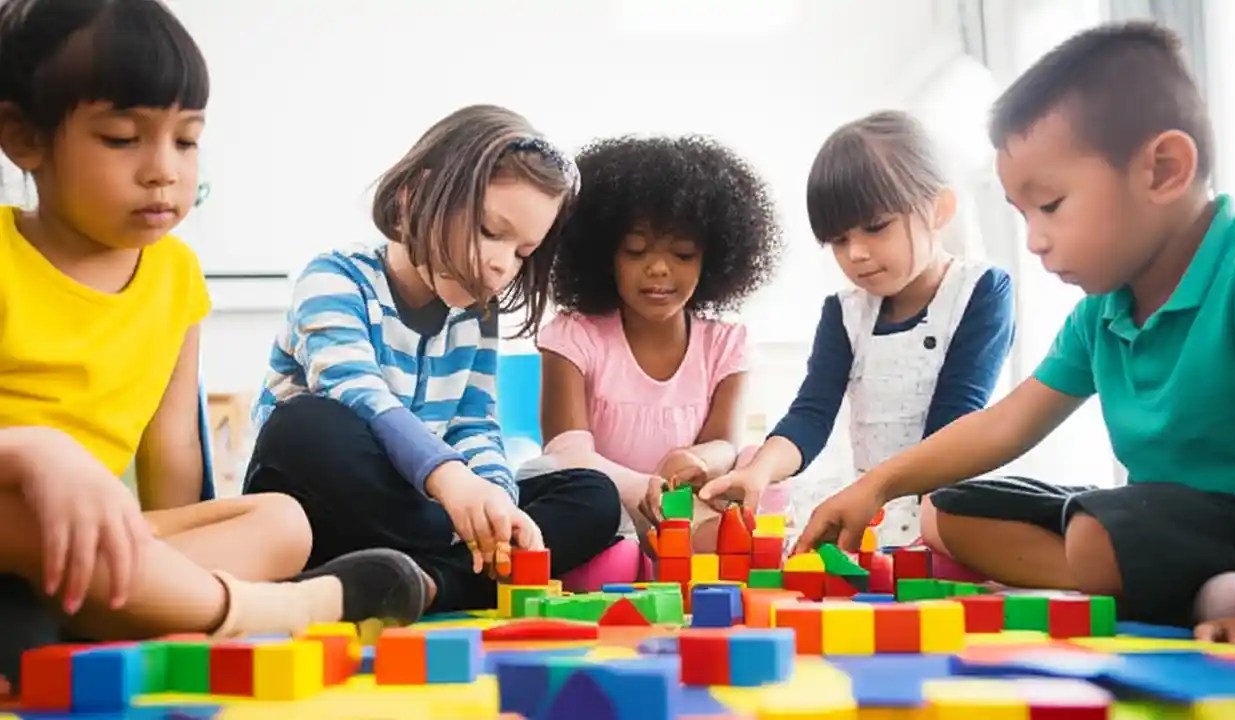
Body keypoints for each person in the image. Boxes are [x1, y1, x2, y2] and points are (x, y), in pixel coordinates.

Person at [794, 22, 1235, 647]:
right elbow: (1007, 424)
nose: (1035, 240)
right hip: (1156, 520)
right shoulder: (1102, 310)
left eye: (1050, 206)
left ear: (1163, 170)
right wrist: (879, 485)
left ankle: (1219, 588)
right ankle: (1194, 588)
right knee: (947, 508)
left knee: (1099, 535)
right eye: (1022, 214)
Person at [0, 0, 426, 689]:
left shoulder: (176, 276)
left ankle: (121, 604)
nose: (162, 170)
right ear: (24, 139)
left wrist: (150, 551)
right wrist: (32, 450)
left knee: (282, 519)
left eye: (187, 139)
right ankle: (274, 609)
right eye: (120, 139)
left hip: (93, 545)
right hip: (12, 520)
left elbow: (171, 450)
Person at [244, 105, 622, 613]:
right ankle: (448, 564)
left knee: (592, 495)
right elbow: (357, 392)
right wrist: (454, 484)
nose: (501, 265)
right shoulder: (335, 277)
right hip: (328, 504)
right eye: (491, 232)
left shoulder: (474, 314)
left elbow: (474, 423)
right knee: (306, 424)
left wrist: (496, 506)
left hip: (428, 509)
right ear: (415, 195)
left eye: (522, 253)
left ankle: (423, 583)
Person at [699, 111, 1014, 548]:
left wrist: (894, 497)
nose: (857, 254)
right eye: (839, 240)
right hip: (869, 504)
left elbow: (957, 419)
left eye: (876, 227)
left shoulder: (980, 291)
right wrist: (758, 471)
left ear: (939, 209)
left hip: (945, 498)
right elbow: (811, 413)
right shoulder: (845, 312)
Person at [530, 135, 782, 564]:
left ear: (713, 259)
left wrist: (696, 460)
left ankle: (687, 554)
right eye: (636, 250)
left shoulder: (726, 344)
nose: (659, 268)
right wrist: (651, 494)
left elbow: (724, 442)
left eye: (683, 253)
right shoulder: (573, 337)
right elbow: (567, 454)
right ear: (605, 255)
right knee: (580, 510)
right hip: (603, 508)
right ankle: (645, 556)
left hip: (689, 507)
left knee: (762, 465)